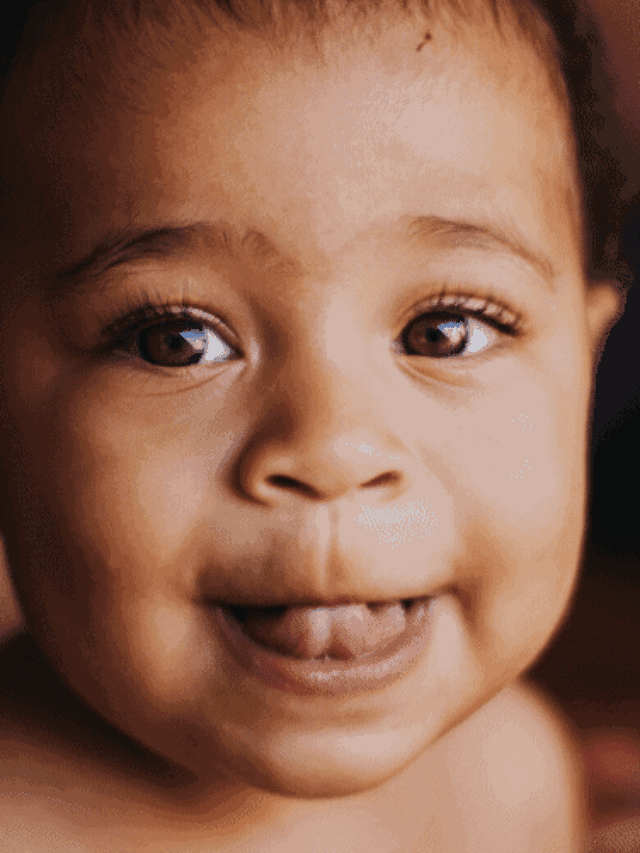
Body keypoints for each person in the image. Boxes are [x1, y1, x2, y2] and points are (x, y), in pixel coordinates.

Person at [0, 0, 630, 849]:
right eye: (176, 341)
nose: (332, 449)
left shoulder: (510, 779)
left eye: (445, 330)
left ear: (584, 369)